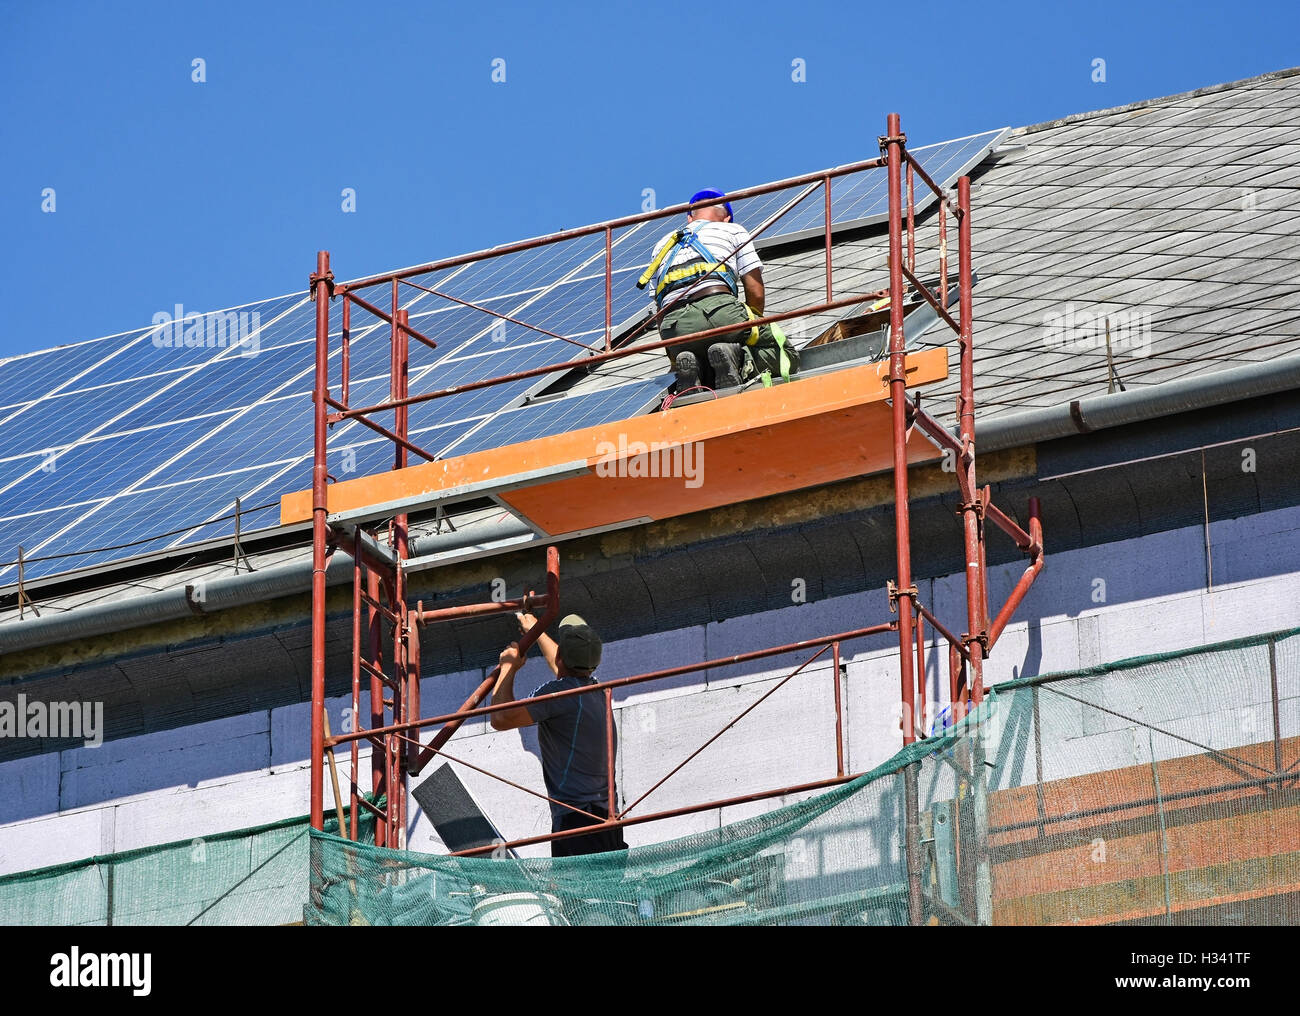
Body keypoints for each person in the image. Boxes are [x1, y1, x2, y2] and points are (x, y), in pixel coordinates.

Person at [489, 612, 628, 858]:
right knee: (602, 895)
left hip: (577, 824)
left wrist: (508, 668)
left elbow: (501, 719)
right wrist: (536, 630)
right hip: (606, 821)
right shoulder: (595, 690)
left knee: (577, 895)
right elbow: (563, 666)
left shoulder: (559, 694)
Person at [639, 188, 797, 392]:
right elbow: (755, 291)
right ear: (727, 218)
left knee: (697, 348)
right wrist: (748, 329)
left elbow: (660, 308)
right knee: (786, 354)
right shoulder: (733, 230)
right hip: (721, 313)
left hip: (674, 329)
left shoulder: (662, 245)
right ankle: (738, 358)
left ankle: (693, 367)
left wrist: (672, 354)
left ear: (689, 218)